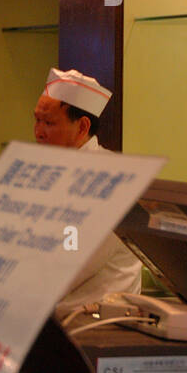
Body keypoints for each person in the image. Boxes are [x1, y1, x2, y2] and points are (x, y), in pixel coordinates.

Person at [32, 67, 142, 315]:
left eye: (49, 123)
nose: (38, 132)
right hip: (53, 322)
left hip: (97, 327)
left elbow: (67, 269)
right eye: (37, 120)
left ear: (82, 127)